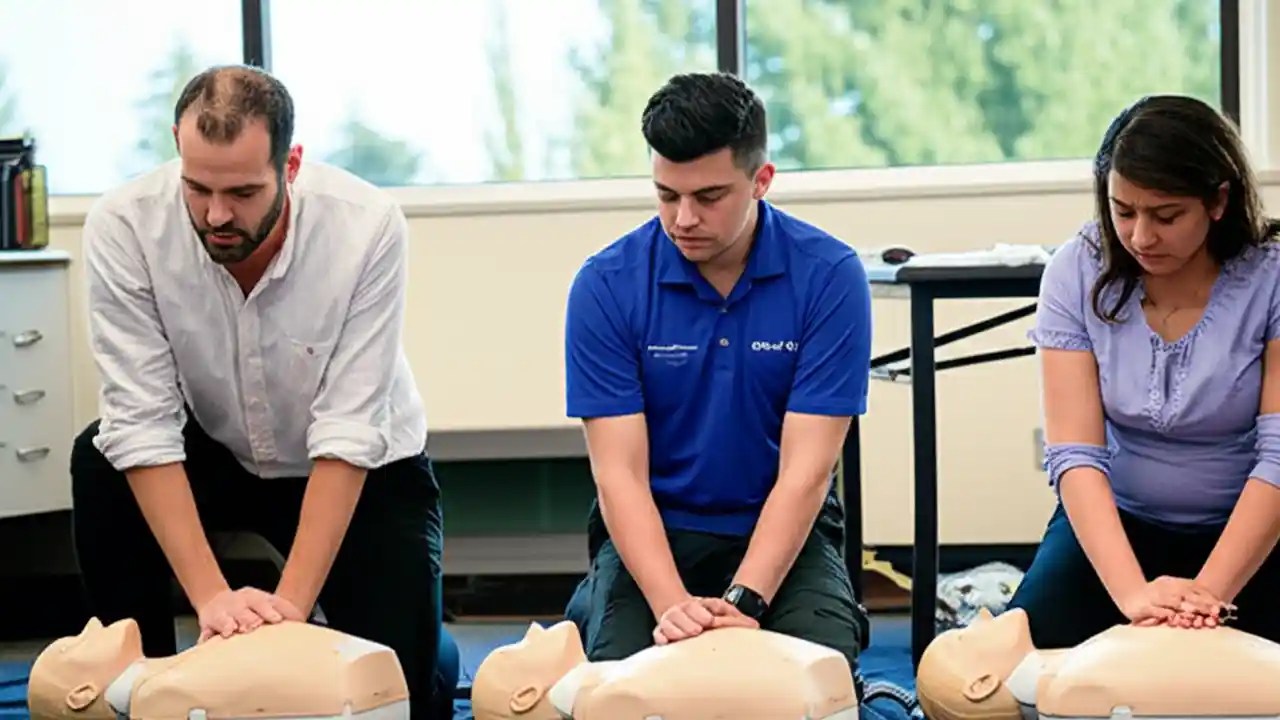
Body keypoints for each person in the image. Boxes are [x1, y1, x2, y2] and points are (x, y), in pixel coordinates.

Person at [70, 64, 452, 719]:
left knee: (407, 687)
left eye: (244, 192)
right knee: (99, 458)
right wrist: (213, 601)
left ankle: (433, 652)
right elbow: (142, 422)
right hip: (213, 447)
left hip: (358, 467)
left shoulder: (367, 228)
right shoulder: (124, 226)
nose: (217, 214)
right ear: (177, 148)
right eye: (197, 188)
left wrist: (286, 619)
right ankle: (141, 684)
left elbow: (349, 430)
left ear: (292, 164)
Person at [561, 71, 873, 692]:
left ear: (762, 181)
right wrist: (673, 605)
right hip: (658, 532)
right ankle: (598, 600)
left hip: (781, 529)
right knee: (626, 687)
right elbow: (617, 475)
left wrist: (747, 601)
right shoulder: (605, 285)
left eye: (708, 196)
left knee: (816, 683)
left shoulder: (830, 276)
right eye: (665, 195)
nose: (683, 218)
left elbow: (806, 472)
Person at [1009, 94, 1280, 649]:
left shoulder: (1271, 275)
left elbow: (1279, 454)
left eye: (1166, 215)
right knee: (1018, 665)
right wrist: (1134, 596)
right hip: (1120, 523)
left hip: (1255, 531)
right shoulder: (1074, 269)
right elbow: (1075, 454)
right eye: (1123, 211)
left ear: (1218, 201)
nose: (1140, 237)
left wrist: (1205, 598)